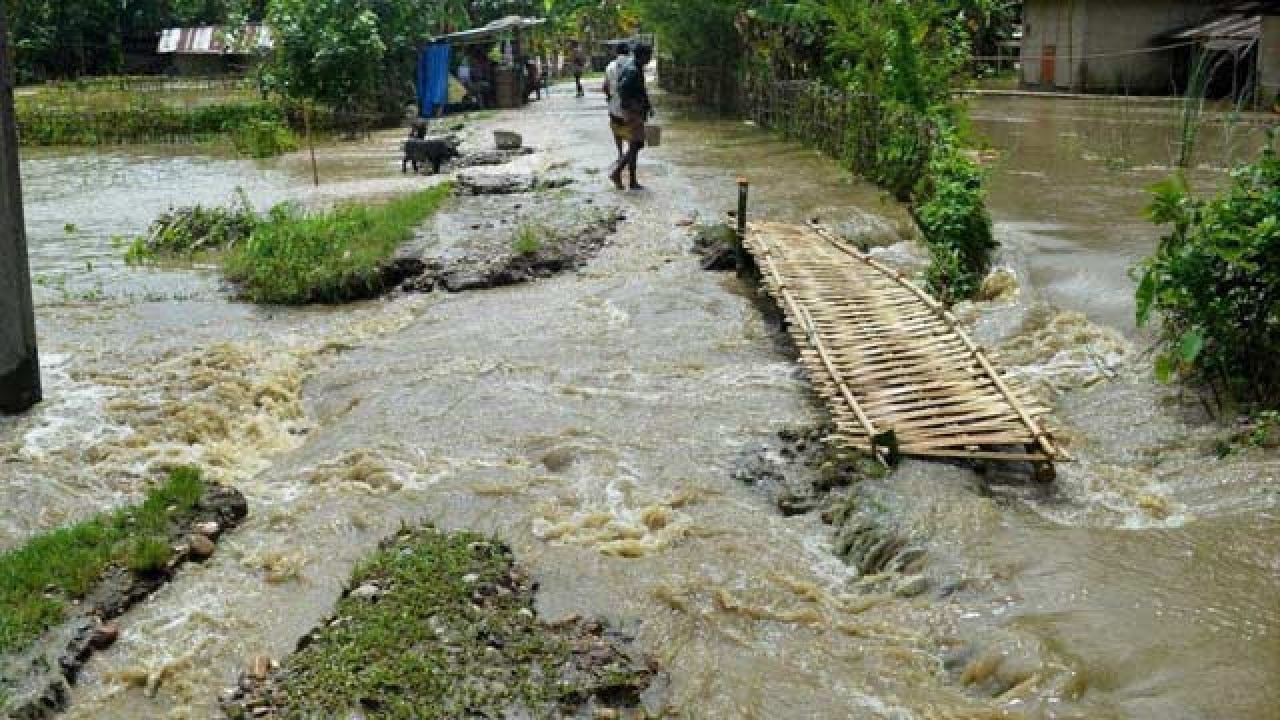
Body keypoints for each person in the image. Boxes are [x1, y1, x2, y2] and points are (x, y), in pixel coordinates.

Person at [609, 44, 653, 190]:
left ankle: (632, 180)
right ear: (642, 55)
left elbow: (641, 90)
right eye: (649, 55)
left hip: (636, 110)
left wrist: (648, 106)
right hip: (633, 111)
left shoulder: (635, 67)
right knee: (636, 144)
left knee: (636, 144)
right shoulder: (633, 69)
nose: (650, 58)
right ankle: (618, 172)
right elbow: (622, 89)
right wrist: (631, 106)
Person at [602, 43, 631, 159]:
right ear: (628, 52)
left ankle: (620, 154)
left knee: (616, 129)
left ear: (616, 53)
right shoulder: (633, 64)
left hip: (615, 105)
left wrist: (610, 97)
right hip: (631, 106)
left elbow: (605, 87)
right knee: (632, 131)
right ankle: (631, 153)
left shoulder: (610, 66)